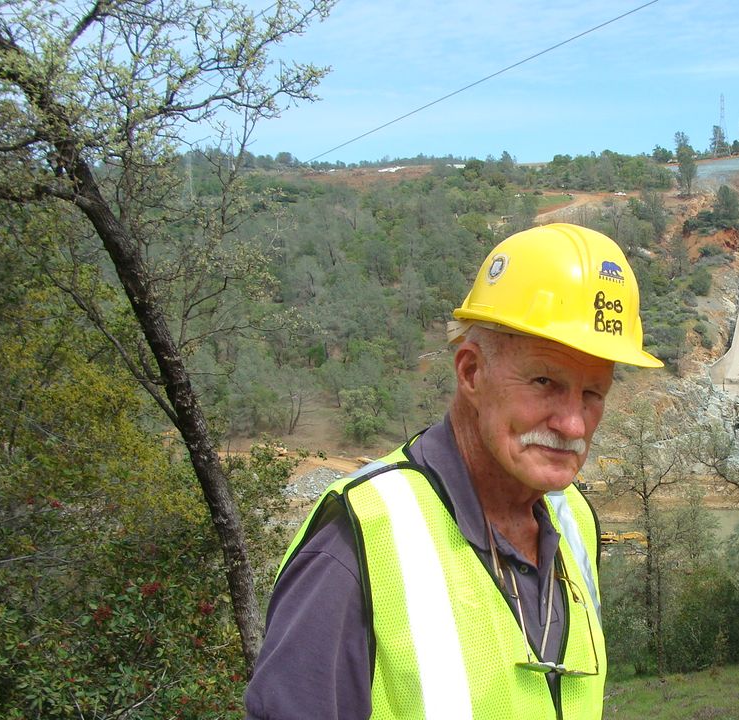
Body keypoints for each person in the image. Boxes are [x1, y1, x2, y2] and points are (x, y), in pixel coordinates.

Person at [245, 223, 663, 719]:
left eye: (593, 393)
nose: (573, 423)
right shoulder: (358, 538)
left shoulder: (574, 520)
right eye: (544, 381)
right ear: (471, 372)